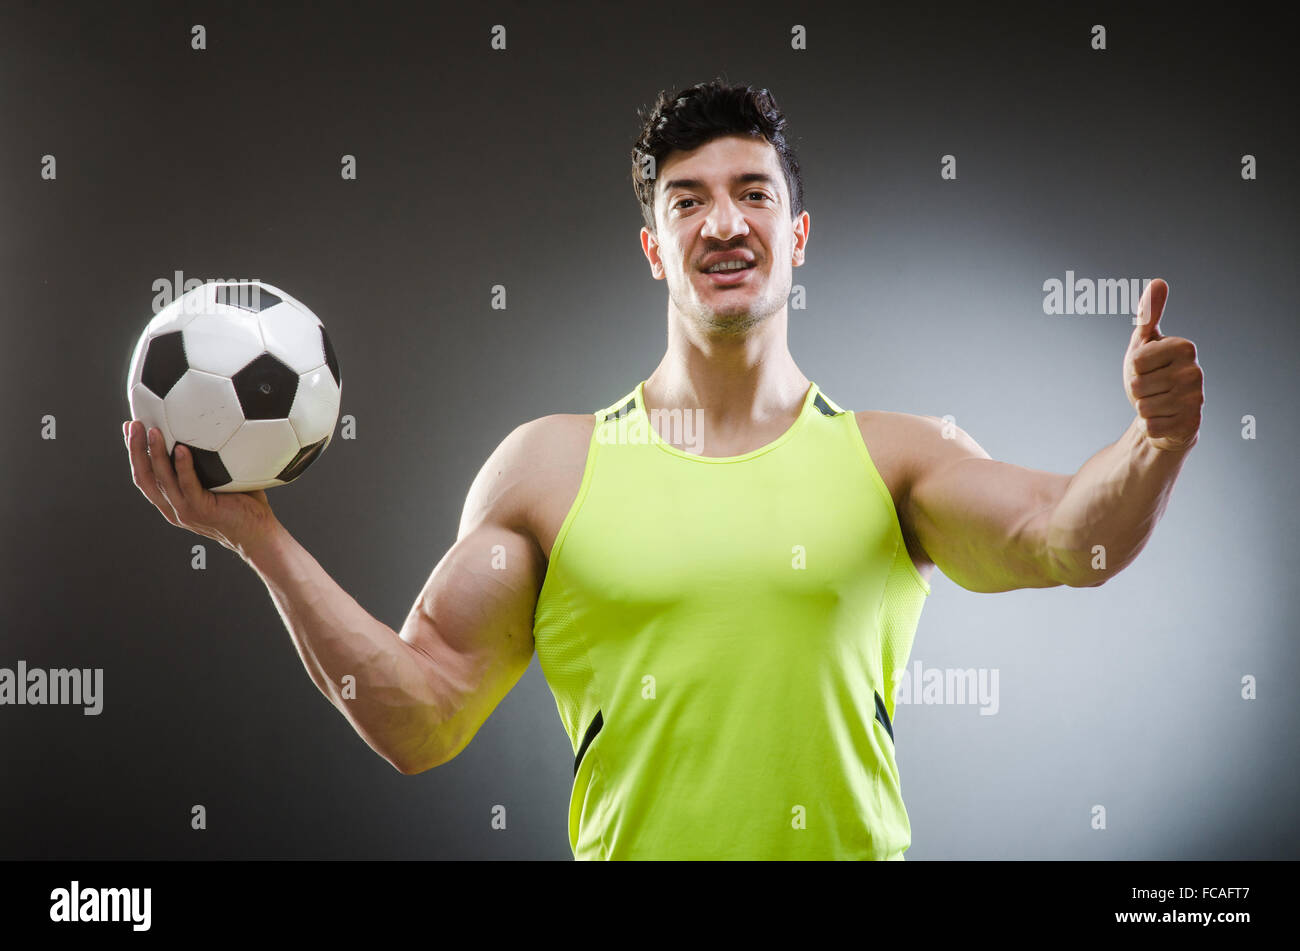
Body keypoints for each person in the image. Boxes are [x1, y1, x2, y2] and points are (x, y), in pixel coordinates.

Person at [123, 79, 1204, 860]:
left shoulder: (897, 459)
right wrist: (257, 539)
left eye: (753, 194)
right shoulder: (547, 469)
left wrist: (1150, 442)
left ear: (798, 233)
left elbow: (1070, 539)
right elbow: (421, 719)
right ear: (653, 245)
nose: (723, 222)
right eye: (686, 199)